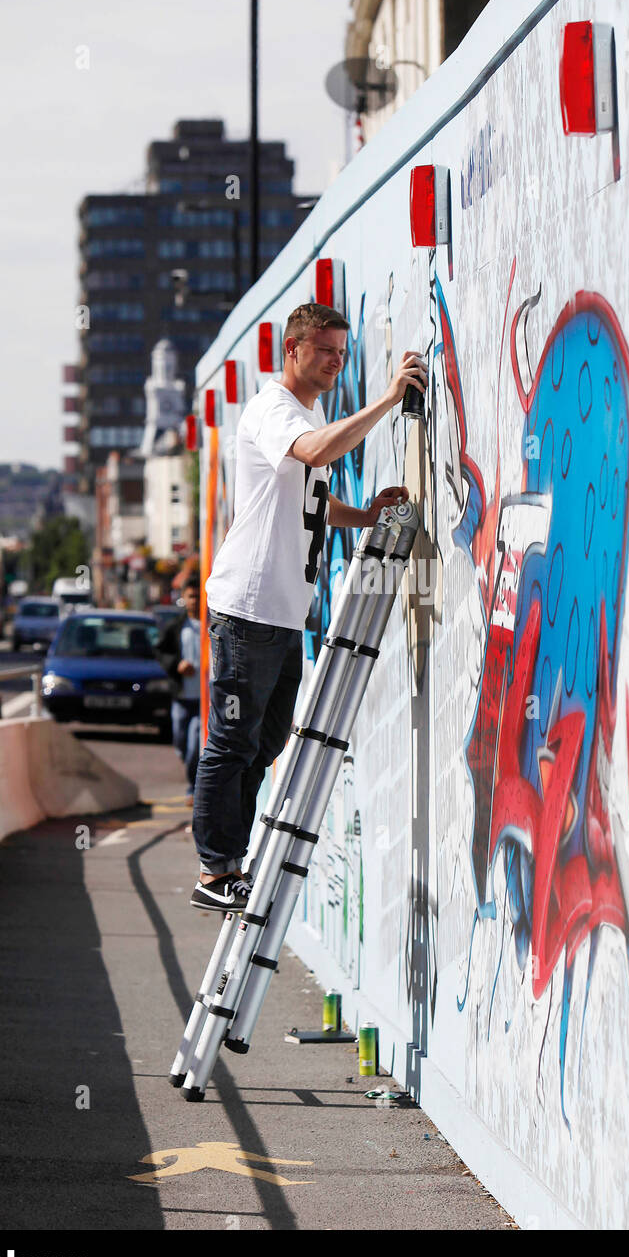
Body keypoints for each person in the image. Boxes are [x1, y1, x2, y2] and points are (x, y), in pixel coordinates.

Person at [189, 301, 427, 910]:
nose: (334, 362)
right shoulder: (275, 412)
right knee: (233, 743)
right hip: (248, 609)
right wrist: (388, 401)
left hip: (283, 614)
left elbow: (314, 500)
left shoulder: (307, 415)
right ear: (292, 350)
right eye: (324, 351)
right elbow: (317, 454)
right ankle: (215, 871)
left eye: (341, 354)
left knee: (265, 746)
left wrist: (367, 514)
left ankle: (229, 862)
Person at [157, 575, 202, 799]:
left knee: (195, 744)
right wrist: (177, 665)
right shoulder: (177, 626)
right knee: (180, 742)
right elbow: (160, 652)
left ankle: (193, 788)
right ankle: (191, 775)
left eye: (198, 596)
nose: (194, 601)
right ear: (184, 598)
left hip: (204, 699)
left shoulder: (211, 624)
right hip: (182, 696)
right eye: (191, 596)